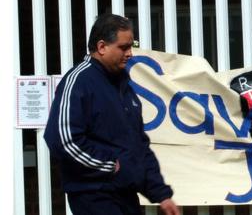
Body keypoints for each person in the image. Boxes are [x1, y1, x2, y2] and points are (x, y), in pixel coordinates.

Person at [44, 13, 180, 215]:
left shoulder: (123, 86)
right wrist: (110, 166)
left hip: (125, 194)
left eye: (131, 47)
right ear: (101, 47)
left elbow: (138, 146)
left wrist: (161, 194)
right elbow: (63, 141)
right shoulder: (78, 82)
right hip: (93, 195)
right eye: (123, 47)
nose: (130, 54)